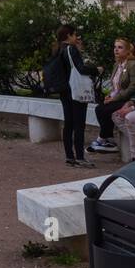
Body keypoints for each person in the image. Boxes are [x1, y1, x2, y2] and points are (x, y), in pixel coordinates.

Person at [46, 24, 99, 168]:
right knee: (79, 124)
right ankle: (80, 157)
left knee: (68, 123)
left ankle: (70, 156)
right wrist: (96, 70)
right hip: (75, 90)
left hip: (64, 90)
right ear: (68, 35)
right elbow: (80, 69)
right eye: (75, 34)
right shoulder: (71, 49)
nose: (77, 37)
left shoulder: (58, 49)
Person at [88, 38, 135, 153]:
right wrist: (109, 96)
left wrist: (114, 98)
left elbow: (133, 87)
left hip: (128, 100)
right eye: (115, 47)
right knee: (100, 108)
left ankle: (102, 139)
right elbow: (115, 86)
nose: (116, 50)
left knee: (103, 110)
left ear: (128, 51)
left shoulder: (134, 65)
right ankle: (109, 140)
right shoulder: (117, 64)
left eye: (120, 47)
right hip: (117, 98)